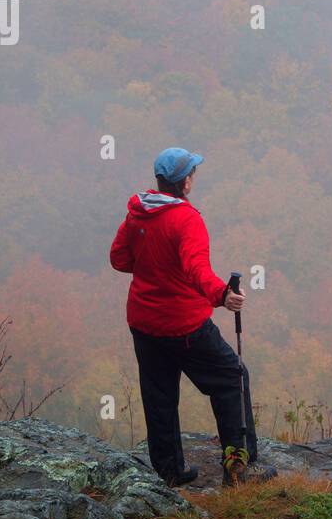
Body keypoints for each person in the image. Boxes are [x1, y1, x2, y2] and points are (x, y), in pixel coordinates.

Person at [110, 146, 275, 487]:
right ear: (185, 182)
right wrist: (222, 295)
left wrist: (153, 265)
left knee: (159, 396)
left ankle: (169, 473)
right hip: (184, 325)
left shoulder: (137, 213)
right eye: (193, 173)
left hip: (144, 323)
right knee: (232, 377)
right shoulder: (186, 219)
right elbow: (196, 268)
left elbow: (119, 260)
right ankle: (239, 469)